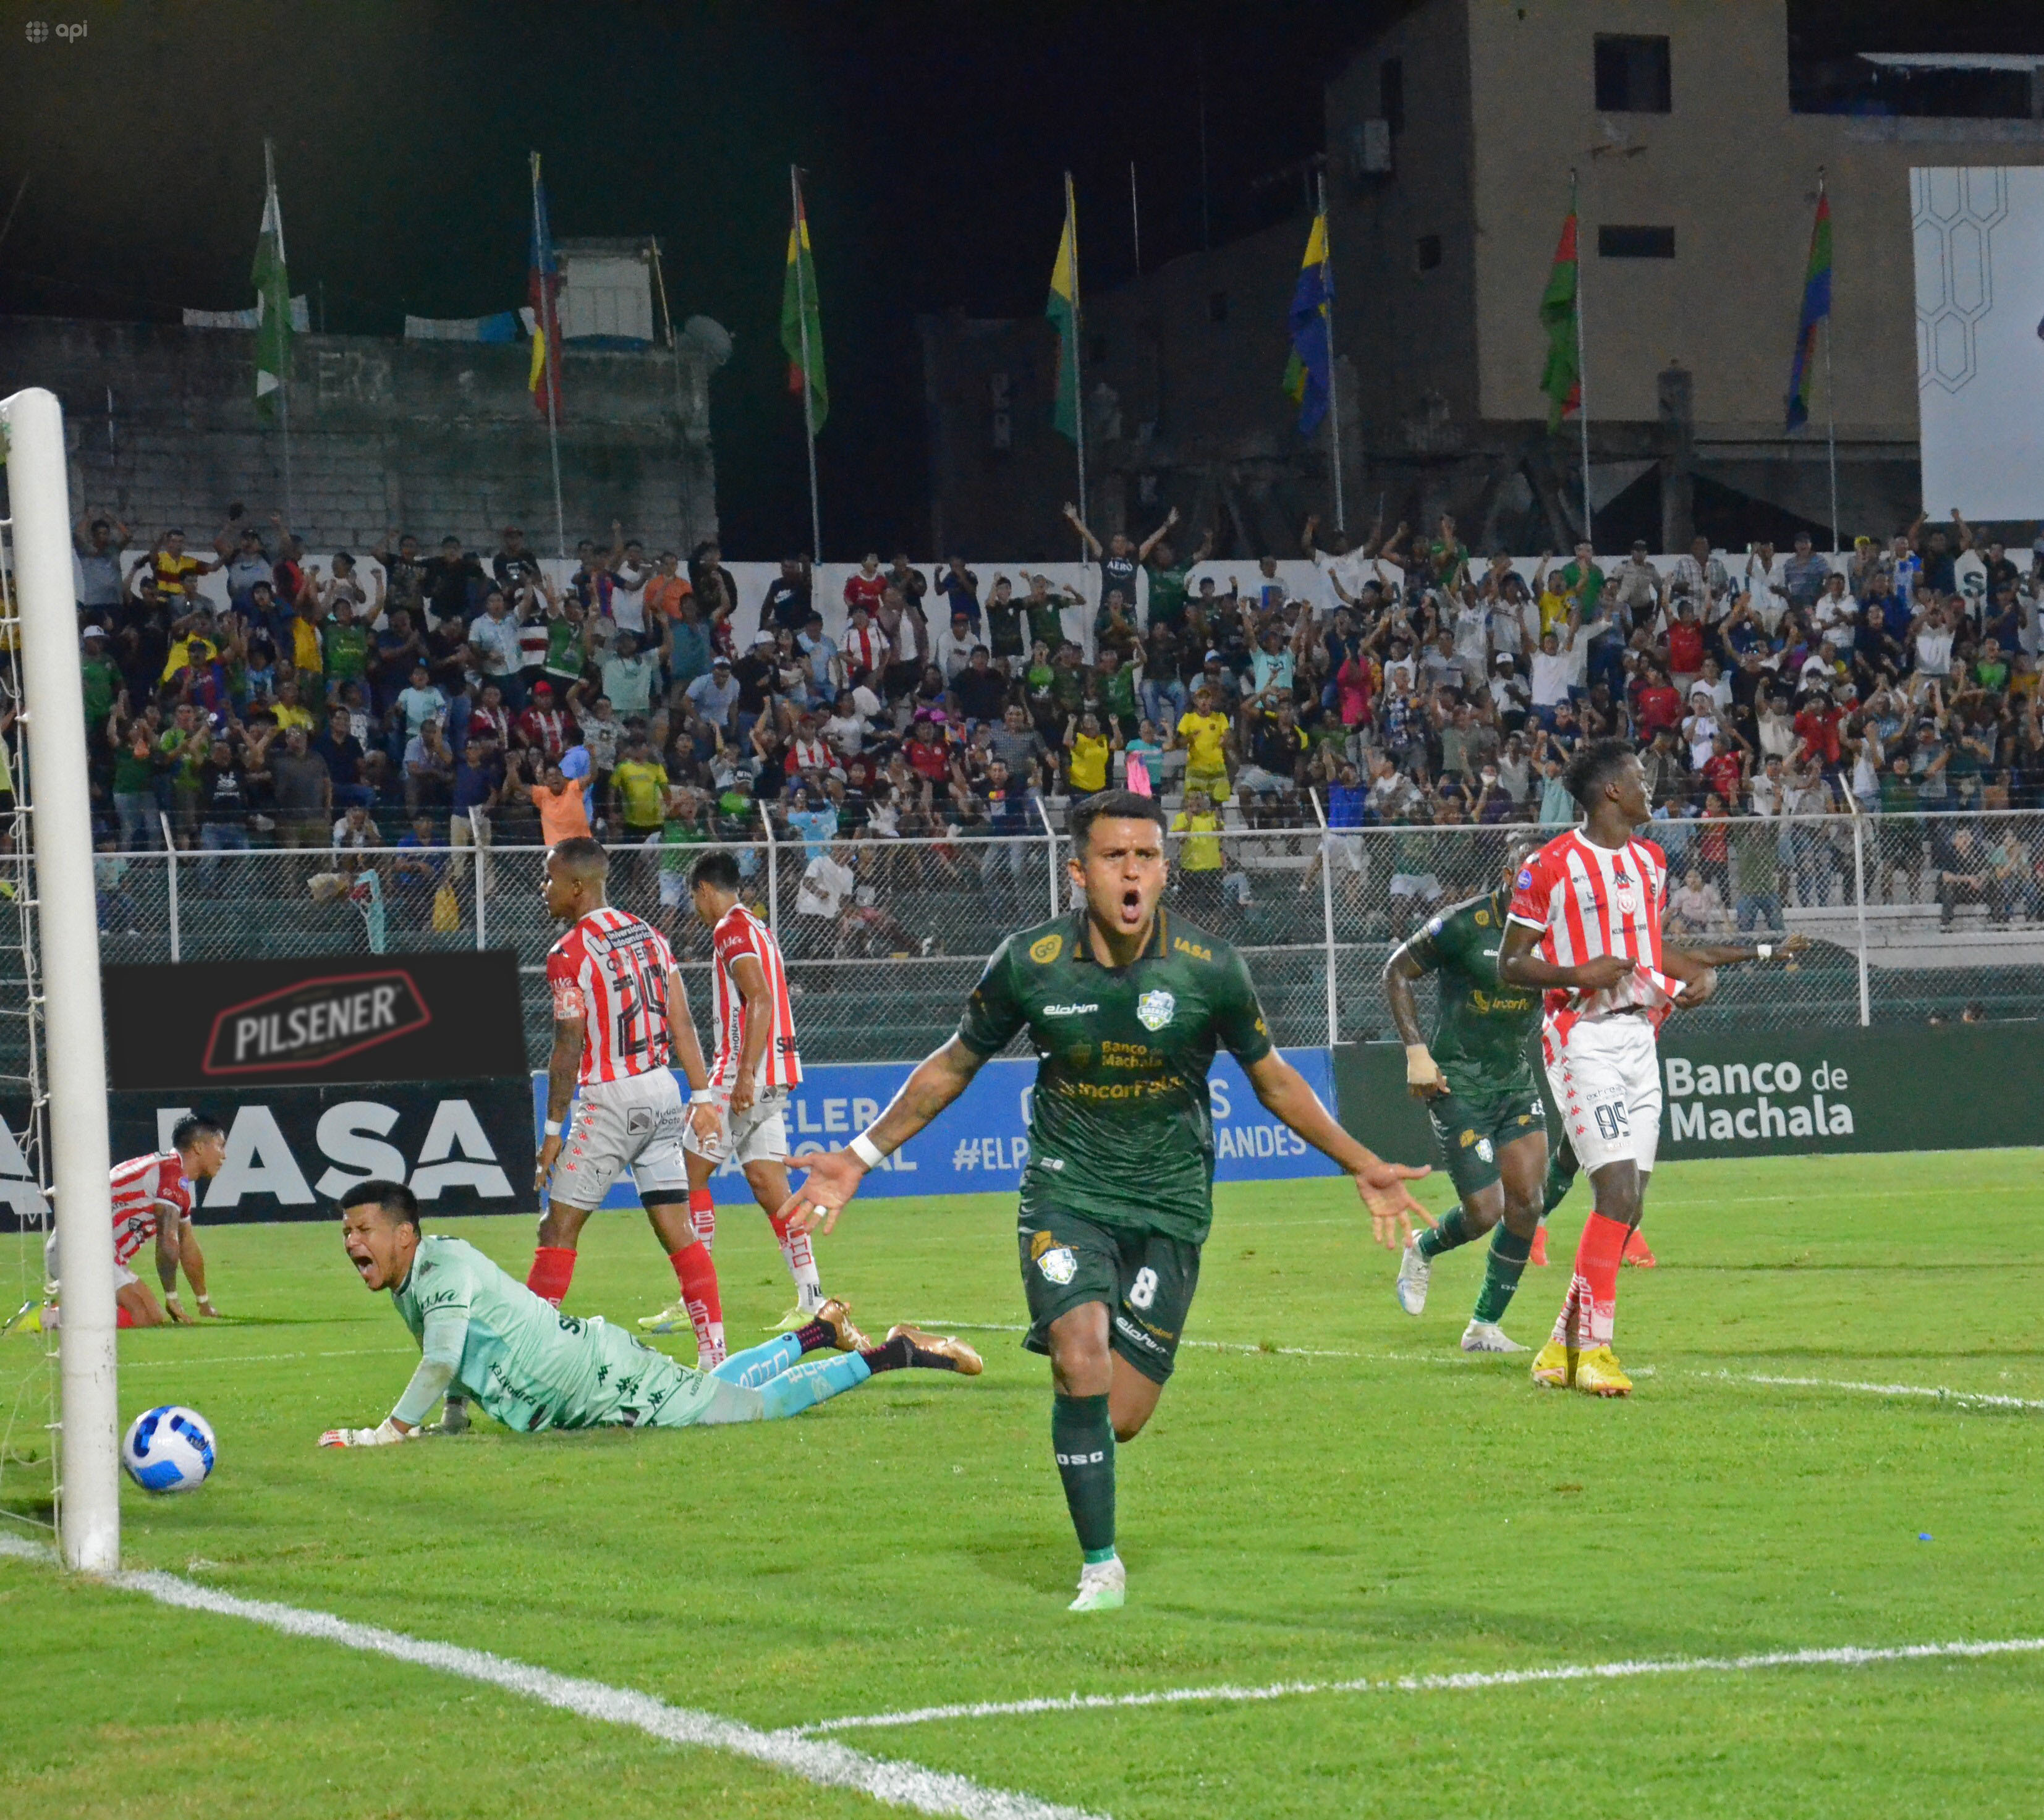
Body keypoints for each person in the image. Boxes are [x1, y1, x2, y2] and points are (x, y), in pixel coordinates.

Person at [774, 790, 1432, 1613]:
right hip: (1067, 1189)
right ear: (1079, 871)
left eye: (1146, 856)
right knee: (1079, 1355)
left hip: (1169, 1203)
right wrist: (858, 1155)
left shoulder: (1209, 966)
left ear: (1164, 870)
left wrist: (1361, 1162)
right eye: (1114, 856)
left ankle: (1077, 1389)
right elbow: (953, 1063)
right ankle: (1099, 1565)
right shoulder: (1031, 961)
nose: (1132, 871)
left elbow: (1272, 1079)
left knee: (1119, 1415)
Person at [317, 1179, 979, 1447]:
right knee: (714, 1390)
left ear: (405, 1234)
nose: (351, 1242)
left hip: (599, 1381)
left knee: (756, 1409)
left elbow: (441, 1358)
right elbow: (457, 1352)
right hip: (589, 1376)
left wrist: (387, 1433)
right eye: (346, 1231)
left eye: (362, 1229)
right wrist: (454, 1421)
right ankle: (821, 1329)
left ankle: (896, 1351)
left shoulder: (442, 1267)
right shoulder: (417, 1275)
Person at [525, 837, 727, 1378]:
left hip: (610, 1098)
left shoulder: (567, 953)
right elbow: (682, 1021)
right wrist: (701, 1097)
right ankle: (715, 1357)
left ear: (576, 886)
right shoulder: (652, 935)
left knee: (556, 1230)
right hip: (662, 1091)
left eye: (549, 879)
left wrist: (552, 1129)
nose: (543, 889)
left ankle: (527, 1358)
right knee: (678, 1230)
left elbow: (568, 1044)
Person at [641, 849, 824, 1339]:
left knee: (687, 1176)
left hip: (746, 1073)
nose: (696, 908)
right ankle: (812, 1298)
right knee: (768, 1183)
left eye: (694, 897)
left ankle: (693, 1298)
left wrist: (743, 1074)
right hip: (777, 1071)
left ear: (704, 889)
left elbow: (758, 997)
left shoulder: (729, 930)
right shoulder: (757, 926)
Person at [1382, 845, 1551, 1353]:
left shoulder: (1556, 929)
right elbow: (1396, 971)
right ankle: (1422, 1247)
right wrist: (1416, 1052)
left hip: (1513, 1079)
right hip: (1455, 1081)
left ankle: (1483, 1327)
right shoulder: (1462, 924)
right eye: (1528, 877)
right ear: (1507, 874)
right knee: (1484, 1212)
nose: (1539, 889)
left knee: (1527, 1204)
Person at [31, 1117, 228, 1333]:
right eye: (220, 1146)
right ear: (199, 1147)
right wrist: (172, 1296)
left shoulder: (172, 1175)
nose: (224, 1156)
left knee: (153, 1316)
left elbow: (187, 1244)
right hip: (77, 1250)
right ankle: (42, 1318)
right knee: (139, 1315)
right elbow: (168, 1240)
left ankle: (64, 1311)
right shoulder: (170, 1173)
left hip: (98, 1254)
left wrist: (203, 1302)